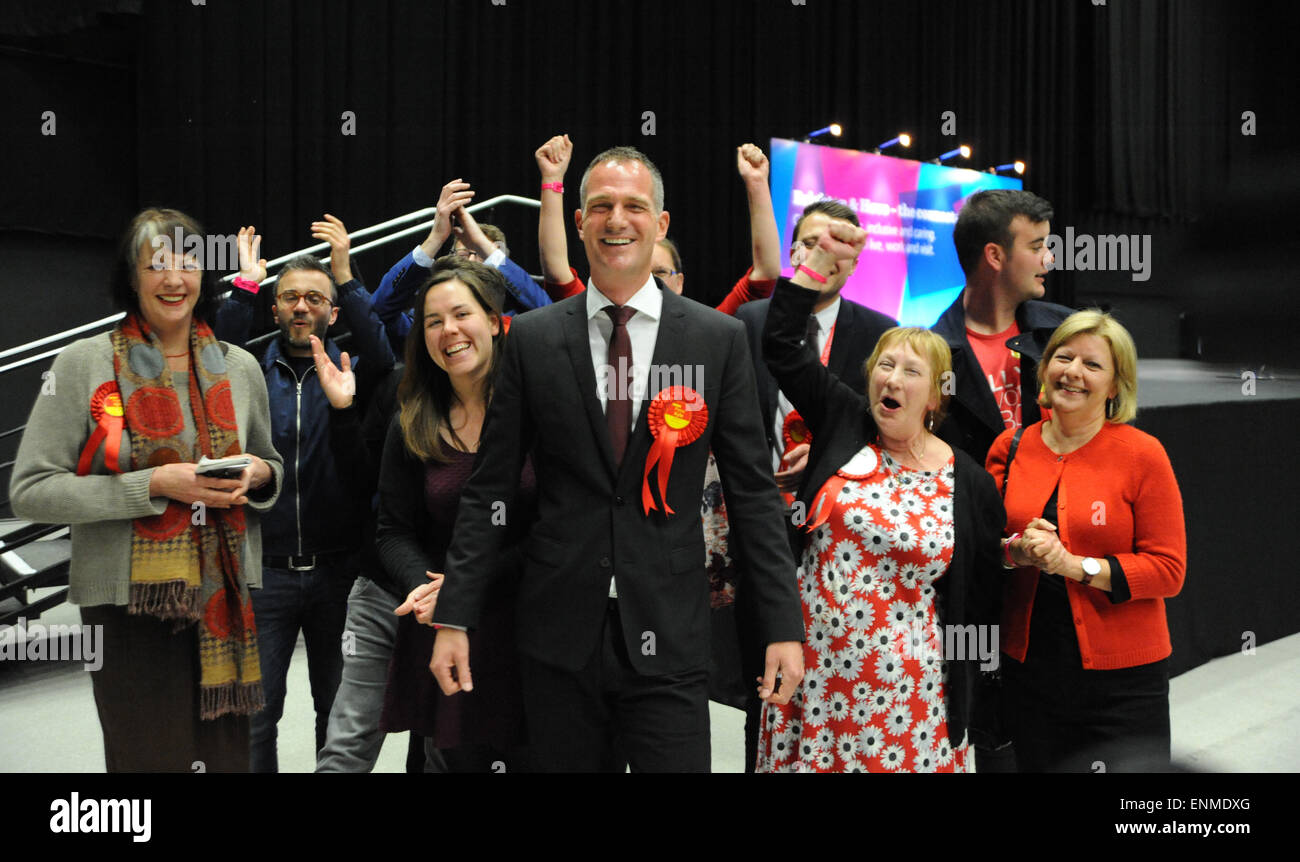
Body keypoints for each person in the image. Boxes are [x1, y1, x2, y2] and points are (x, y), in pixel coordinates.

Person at [429, 145, 805, 772]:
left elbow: (754, 498)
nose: (615, 220)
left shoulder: (718, 340)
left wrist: (782, 626)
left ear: (660, 224)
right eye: (599, 206)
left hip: (672, 634)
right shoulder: (534, 340)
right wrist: (454, 616)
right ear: (578, 223)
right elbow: (489, 490)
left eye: (634, 206)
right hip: (557, 636)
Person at [9, 208, 282, 772]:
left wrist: (258, 477)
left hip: (223, 601)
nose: (174, 278)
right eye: (156, 264)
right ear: (131, 279)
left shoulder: (240, 368)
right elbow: (32, 490)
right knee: (147, 762)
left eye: (187, 261)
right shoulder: (84, 364)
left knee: (226, 760)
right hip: (127, 608)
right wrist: (154, 483)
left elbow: (271, 466)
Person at [755, 220, 1005, 772]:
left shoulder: (969, 481)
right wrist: (815, 267)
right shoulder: (845, 420)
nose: (892, 379)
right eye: (884, 366)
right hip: (813, 674)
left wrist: (972, 694)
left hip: (911, 695)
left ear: (937, 394)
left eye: (911, 371)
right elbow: (780, 345)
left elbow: (980, 594)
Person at [216, 217, 397, 773]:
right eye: (289, 297)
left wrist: (345, 274)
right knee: (256, 713)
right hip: (263, 569)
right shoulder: (246, 372)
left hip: (340, 571)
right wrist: (247, 284)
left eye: (315, 299)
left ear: (332, 311)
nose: (301, 307)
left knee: (337, 711)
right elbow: (212, 351)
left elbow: (385, 354)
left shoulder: (353, 371)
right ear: (274, 309)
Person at [987, 310, 1186, 772]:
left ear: (1116, 386)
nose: (1073, 372)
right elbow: (982, 549)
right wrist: (1014, 553)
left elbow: (1169, 571)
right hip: (1031, 673)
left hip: (1125, 683)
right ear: (1044, 368)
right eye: (1063, 357)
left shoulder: (1143, 454)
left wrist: (1074, 566)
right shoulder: (1009, 447)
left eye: (1093, 365)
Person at [374, 258, 533, 772]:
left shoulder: (540, 408)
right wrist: (431, 591)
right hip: (442, 623)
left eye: (461, 314)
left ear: (493, 320)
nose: (449, 331)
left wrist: (466, 584)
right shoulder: (412, 421)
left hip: (528, 617)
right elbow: (392, 531)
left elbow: (561, 523)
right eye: (433, 321)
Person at [534, 135, 784, 314]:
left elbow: (766, 273)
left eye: (660, 273)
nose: (647, 280)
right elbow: (556, 270)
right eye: (603, 206)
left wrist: (757, 183)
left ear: (680, 282)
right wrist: (552, 180)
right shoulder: (581, 312)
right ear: (580, 223)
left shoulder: (706, 330)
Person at [932, 189, 1073, 465]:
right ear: (995, 256)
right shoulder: (931, 353)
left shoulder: (1068, 333)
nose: (1049, 258)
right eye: (1036, 247)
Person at [372, 180, 552, 355]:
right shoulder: (431, 321)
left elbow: (548, 316)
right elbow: (378, 312)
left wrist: (483, 244)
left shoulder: (518, 321)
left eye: (482, 255)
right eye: (464, 254)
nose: (472, 261)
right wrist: (435, 239)